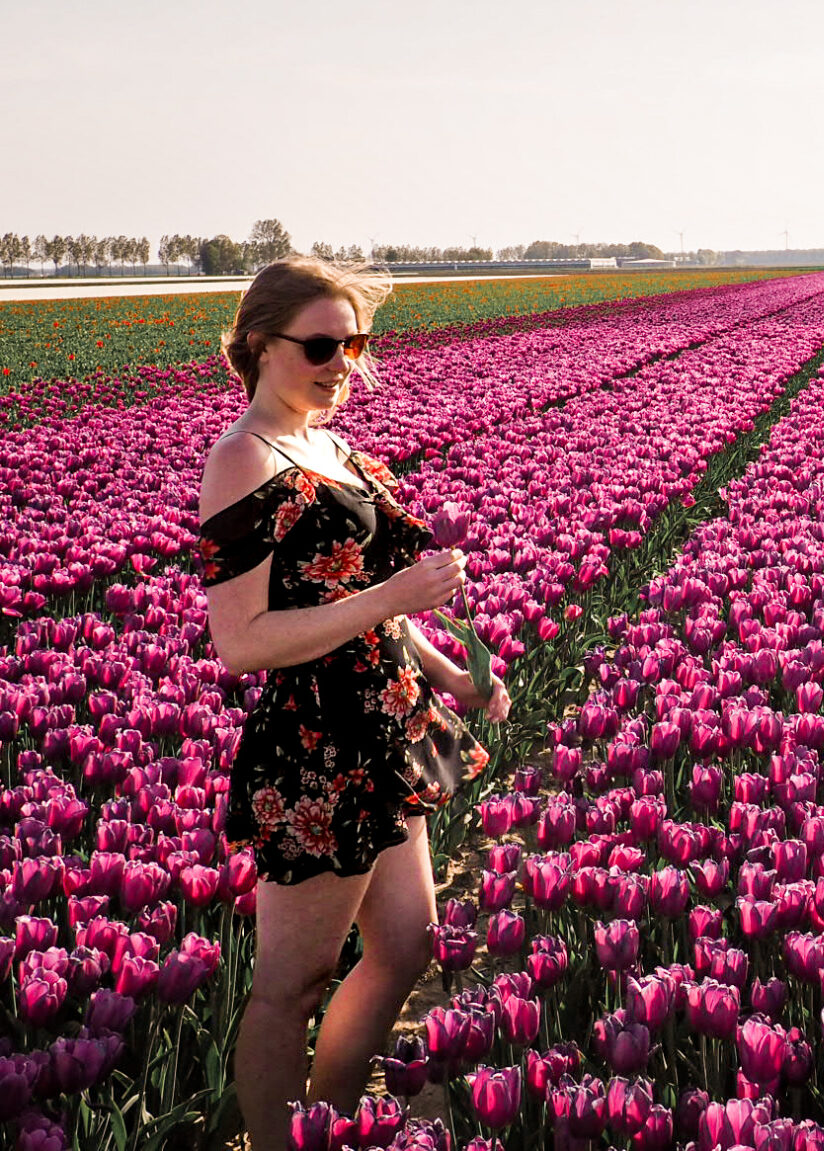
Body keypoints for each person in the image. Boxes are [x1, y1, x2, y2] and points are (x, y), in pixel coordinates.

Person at [197, 256, 510, 1151]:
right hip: (317, 742)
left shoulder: (325, 444)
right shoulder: (243, 458)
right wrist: (393, 598)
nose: (343, 363)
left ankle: (324, 1126)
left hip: (387, 723)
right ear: (260, 345)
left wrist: (452, 671)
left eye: (355, 344)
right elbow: (243, 639)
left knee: (409, 946)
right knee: (292, 984)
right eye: (323, 345)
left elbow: (360, 594)